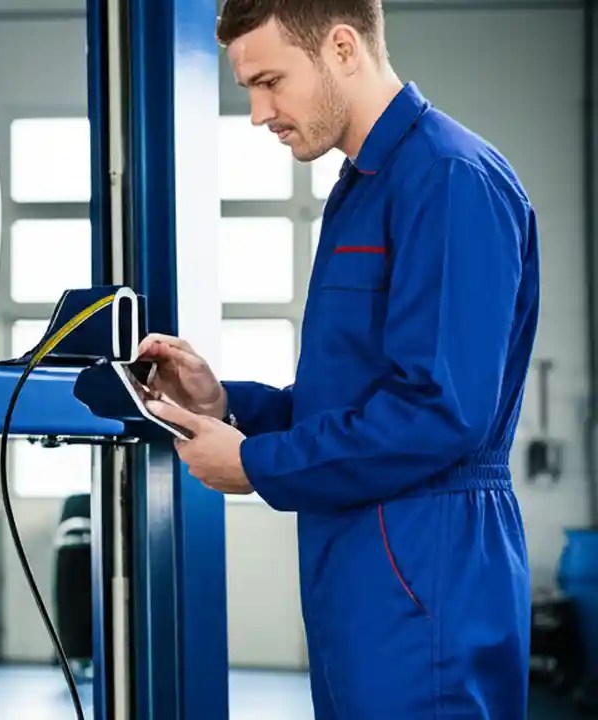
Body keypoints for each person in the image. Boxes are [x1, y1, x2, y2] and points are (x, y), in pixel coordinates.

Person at [138, 1, 540, 717]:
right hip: (362, 563)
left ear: (343, 48)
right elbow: (349, 400)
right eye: (249, 90)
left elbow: (439, 413)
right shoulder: (362, 187)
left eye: (270, 82)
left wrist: (256, 464)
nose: (259, 114)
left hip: (428, 565)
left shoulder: (449, 178)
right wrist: (224, 403)